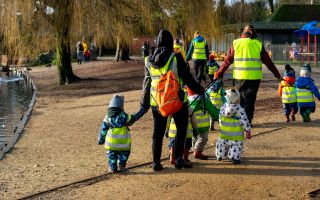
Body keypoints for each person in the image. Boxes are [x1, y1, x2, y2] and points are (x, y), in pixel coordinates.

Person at [140, 29, 204, 171]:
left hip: (156, 102)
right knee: (181, 128)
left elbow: (146, 83)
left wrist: (143, 104)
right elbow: (187, 79)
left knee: (157, 133)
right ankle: (179, 159)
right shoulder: (176, 57)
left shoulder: (148, 60)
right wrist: (200, 90)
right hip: (176, 100)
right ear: (170, 42)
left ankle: (156, 163)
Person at [214, 24, 281, 126]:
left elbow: (227, 61)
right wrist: (278, 75)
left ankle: (242, 120)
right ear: (253, 33)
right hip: (254, 77)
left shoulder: (236, 43)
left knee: (241, 99)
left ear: (243, 33)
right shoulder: (258, 44)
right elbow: (269, 63)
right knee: (250, 100)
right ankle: (247, 121)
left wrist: (219, 73)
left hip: (239, 77)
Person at [98, 94, 145, 172]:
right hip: (123, 143)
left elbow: (103, 130)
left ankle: (112, 167)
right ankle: (121, 164)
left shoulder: (107, 117)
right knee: (125, 154)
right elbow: (134, 117)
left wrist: (101, 140)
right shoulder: (124, 116)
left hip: (111, 143)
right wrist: (142, 110)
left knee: (111, 155)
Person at [215, 89, 251, 164]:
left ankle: (220, 155)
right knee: (236, 147)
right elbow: (245, 121)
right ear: (237, 99)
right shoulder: (240, 110)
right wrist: (247, 130)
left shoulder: (223, 108)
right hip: (236, 136)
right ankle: (234, 157)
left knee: (221, 144)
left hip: (224, 133)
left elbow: (220, 119)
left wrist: (221, 125)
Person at [187, 87, 219, 160]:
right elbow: (212, 111)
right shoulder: (203, 100)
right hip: (203, 124)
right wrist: (218, 117)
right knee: (203, 137)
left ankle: (194, 148)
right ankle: (198, 151)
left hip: (192, 124)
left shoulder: (187, 100)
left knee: (194, 136)